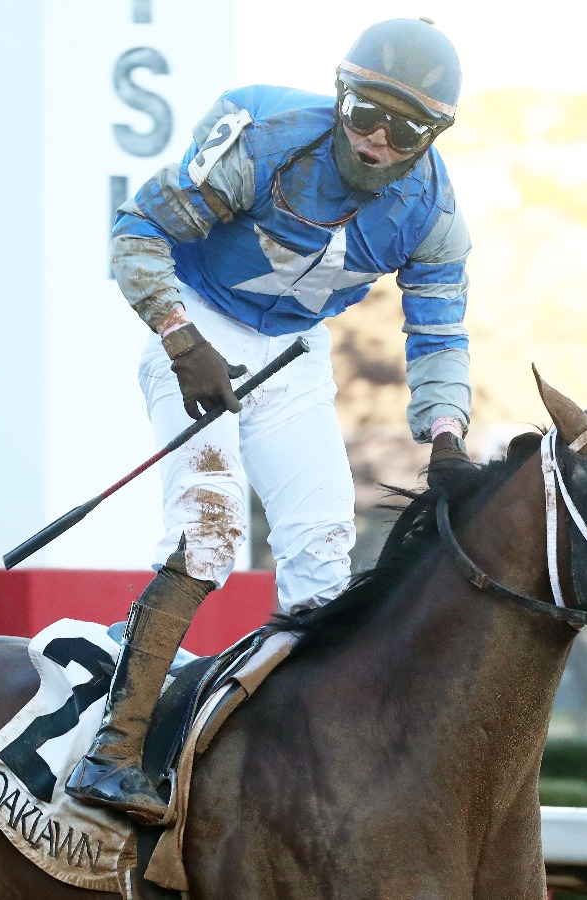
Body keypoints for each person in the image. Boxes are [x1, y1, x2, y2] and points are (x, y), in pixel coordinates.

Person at [66, 17, 475, 823]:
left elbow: (438, 334)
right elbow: (136, 231)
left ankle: (311, 754)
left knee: (323, 551)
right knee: (209, 528)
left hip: (291, 350)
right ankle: (115, 752)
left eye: (407, 129)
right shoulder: (263, 136)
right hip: (197, 318)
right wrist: (179, 338)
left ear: (435, 135)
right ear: (338, 97)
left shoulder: (434, 215)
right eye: (365, 115)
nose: (379, 142)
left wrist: (446, 437)